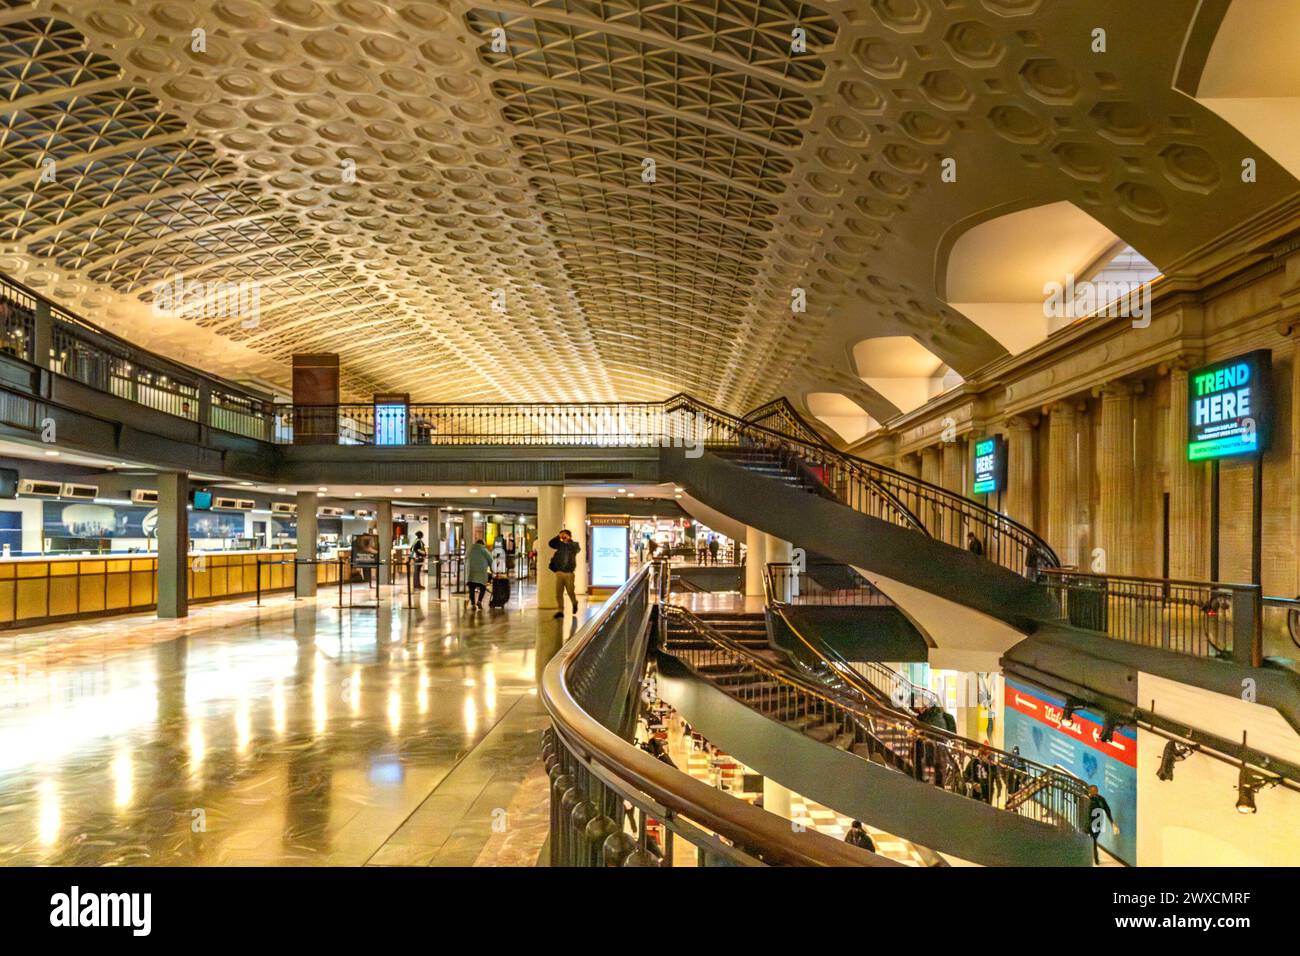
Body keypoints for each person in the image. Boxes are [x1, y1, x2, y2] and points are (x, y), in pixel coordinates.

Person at [548, 528, 581, 619]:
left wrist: (568, 540)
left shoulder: (574, 545)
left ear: (569, 536)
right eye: (561, 535)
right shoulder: (559, 544)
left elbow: (577, 549)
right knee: (558, 593)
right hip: (559, 572)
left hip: (569, 573)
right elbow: (550, 544)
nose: (563, 536)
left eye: (564, 535)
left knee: (570, 591)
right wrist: (558, 537)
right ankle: (560, 610)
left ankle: (574, 602)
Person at [1086, 784, 1118, 864]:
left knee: (1093, 839)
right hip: (1087, 822)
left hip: (1097, 823)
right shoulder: (1086, 798)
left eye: (1095, 791)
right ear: (1089, 791)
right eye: (1092, 791)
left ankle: (1095, 858)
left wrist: (1112, 822)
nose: (1094, 793)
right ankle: (1095, 858)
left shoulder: (1101, 800)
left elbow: (1107, 810)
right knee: (1091, 840)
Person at [466, 537, 493, 609]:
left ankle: (472, 604)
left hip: (470, 573)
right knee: (483, 587)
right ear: (483, 544)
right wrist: (493, 570)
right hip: (481, 573)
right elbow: (491, 560)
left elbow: (465, 559)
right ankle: (479, 601)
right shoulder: (484, 550)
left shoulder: (469, 549)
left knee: (471, 588)